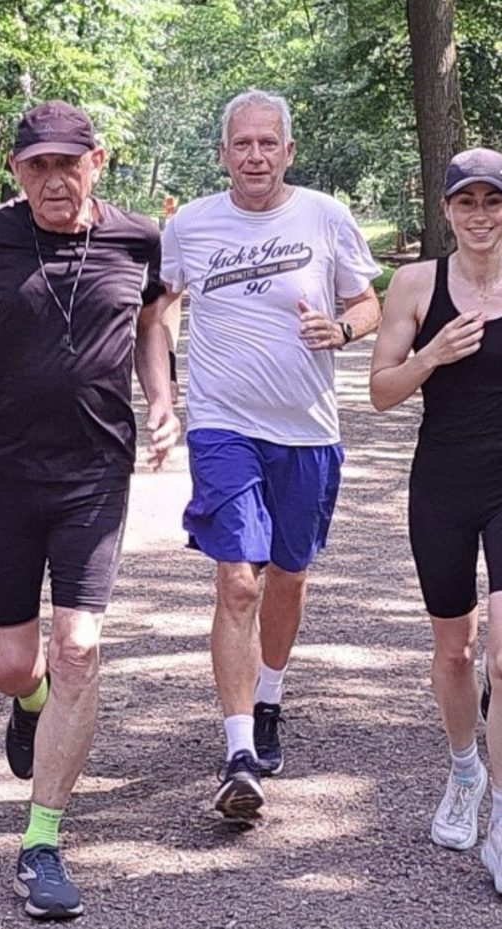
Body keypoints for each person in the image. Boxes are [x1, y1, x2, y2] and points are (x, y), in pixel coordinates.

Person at [0, 100, 178, 920]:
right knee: (11, 666)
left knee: (80, 646)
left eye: (70, 163)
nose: (55, 179)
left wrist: (164, 398)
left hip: (95, 471)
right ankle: (29, 705)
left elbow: (151, 325)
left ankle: (42, 840)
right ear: (16, 170)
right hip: (2, 470)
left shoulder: (138, 237)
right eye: (38, 165)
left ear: (98, 162)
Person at [160, 90, 380, 819]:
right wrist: (161, 388)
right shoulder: (190, 225)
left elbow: (368, 303)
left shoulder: (324, 215)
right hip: (223, 425)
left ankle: (271, 697)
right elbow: (158, 307)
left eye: (268, 144)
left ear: (288, 151)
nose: (255, 156)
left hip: (308, 430)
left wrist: (343, 331)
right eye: (241, 144)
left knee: (287, 575)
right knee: (240, 583)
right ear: (222, 153)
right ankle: (238, 750)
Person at [370, 148, 502, 897]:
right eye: (467, 203)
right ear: (448, 211)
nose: (481, 216)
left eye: (495, 202)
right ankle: (465, 771)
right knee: (455, 654)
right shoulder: (418, 284)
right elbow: (382, 392)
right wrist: (431, 354)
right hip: (443, 484)